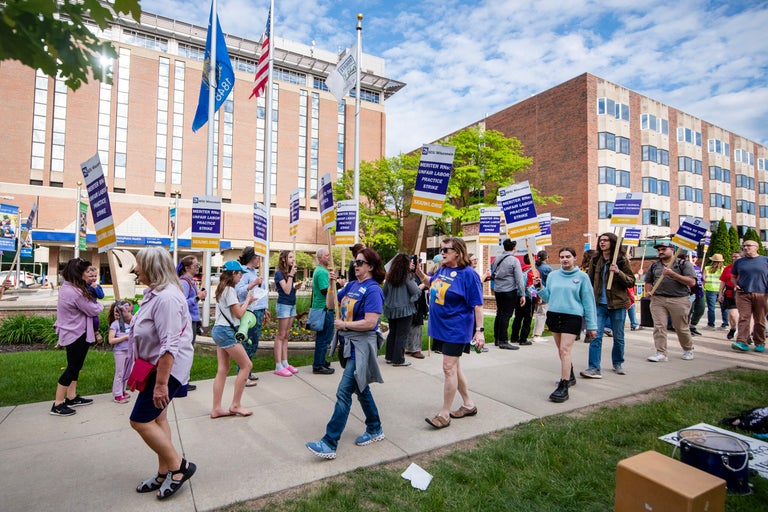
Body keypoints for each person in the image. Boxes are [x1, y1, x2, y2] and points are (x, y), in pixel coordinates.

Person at [305, 247, 387, 459]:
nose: (355, 265)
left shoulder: (373, 290)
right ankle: (375, 427)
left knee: (344, 392)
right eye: (354, 262)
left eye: (360, 262)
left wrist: (345, 325)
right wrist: (333, 284)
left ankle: (329, 442)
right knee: (361, 389)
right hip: (348, 344)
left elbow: (371, 322)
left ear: (370, 266)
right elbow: (332, 304)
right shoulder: (351, 285)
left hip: (361, 346)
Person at [129, 247, 196, 500]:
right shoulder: (155, 294)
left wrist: (160, 385)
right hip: (156, 369)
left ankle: (179, 467)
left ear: (152, 268)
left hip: (166, 371)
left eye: (139, 265)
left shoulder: (167, 299)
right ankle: (163, 472)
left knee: (140, 420)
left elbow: (170, 345)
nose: (135, 270)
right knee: (158, 419)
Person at [420, 237, 484, 429]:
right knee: (454, 367)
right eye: (441, 249)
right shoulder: (443, 269)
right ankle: (468, 404)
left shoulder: (469, 274)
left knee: (448, 368)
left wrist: (479, 331)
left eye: (446, 250)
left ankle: (444, 414)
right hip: (441, 326)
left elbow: (478, 305)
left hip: (457, 327)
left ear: (458, 251)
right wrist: (418, 272)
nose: (442, 253)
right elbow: (432, 283)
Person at [534, 247, 596, 402]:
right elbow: (548, 296)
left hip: (573, 316)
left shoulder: (582, 277)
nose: (565, 259)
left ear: (574, 258)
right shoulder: (553, 275)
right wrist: (539, 287)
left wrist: (591, 325)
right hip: (554, 315)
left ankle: (564, 385)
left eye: (568, 256)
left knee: (564, 349)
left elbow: (589, 302)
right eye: (562, 257)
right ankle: (570, 374)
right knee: (561, 351)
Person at [50, 258, 104, 416]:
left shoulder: (70, 288)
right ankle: (58, 403)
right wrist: (100, 306)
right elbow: (93, 309)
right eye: (86, 272)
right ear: (78, 273)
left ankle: (71, 397)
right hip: (75, 333)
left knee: (76, 366)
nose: (89, 274)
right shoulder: (74, 292)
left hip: (76, 331)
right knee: (72, 367)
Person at [582, 233, 635, 378]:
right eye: (600, 240)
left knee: (618, 336)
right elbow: (590, 282)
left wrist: (618, 272)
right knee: (595, 336)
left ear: (613, 242)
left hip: (617, 304)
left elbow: (631, 281)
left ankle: (617, 363)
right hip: (599, 304)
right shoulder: (595, 260)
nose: (602, 242)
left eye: (605, 240)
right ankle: (593, 367)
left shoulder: (622, 260)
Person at [210, 260, 257, 418]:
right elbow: (239, 314)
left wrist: (244, 303)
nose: (240, 277)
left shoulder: (222, 289)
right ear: (233, 274)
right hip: (225, 331)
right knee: (246, 365)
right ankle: (235, 405)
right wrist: (248, 302)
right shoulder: (230, 289)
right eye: (239, 274)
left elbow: (233, 309)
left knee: (222, 370)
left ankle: (216, 408)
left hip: (218, 330)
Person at [644, 241, 697, 362]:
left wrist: (672, 274)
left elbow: (691, 282)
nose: (660, 252)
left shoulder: (684, 264)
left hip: (679, 299)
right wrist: (649, 291)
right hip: (658, 299)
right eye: (659, 250)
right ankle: (661, 352)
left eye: (663, 249)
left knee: (680, 327)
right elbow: (648, 281)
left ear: (672, 250)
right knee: (659, 326)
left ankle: (688, 349)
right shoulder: (654, 266)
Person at [235, 247, 270, 385]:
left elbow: (260, 292)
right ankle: (241, 373)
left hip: (259, 309)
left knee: (254, 343)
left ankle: (246, 371)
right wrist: (253, 283)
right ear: (251, 258)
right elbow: (240, 291)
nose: (259, 261)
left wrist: (265, 308)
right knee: (248, 342)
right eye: (257, 258)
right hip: (250, 311)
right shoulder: (244, 272)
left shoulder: (255, 272)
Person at [383, 253, 422, 367]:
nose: (411, 263)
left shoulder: (389, 277)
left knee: (393, 333)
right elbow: (415, 291)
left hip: (391, 309)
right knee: (402, 334)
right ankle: (398, 359)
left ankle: (389, 356)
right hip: (405, 309)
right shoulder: (407, 277)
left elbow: (384, 292)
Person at [730, 240, 768, 353]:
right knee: (744, 317)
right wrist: (735, 284)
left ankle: (760, 342)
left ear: (756, 247)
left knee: (759, 319)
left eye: (748, 246)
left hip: (762, 293)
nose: (745, 248)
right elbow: (733, 276)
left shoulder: (765, 260)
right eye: (744, 246)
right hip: (743, 293)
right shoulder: (739, 262)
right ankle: (742, 342)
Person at [177, 255, 207, 391]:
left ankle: (184, 380)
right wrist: (197, 297)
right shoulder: (184, 282)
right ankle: (182, 382)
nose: (198, 267)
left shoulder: (190, 282)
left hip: (192, 320)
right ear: (187, 267)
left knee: (188, 351)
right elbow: (181, 304)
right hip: (188, 321)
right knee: (186, 351)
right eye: (196, 265)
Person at [490, 238, 525, 350]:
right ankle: (503, 341)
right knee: (506, 315)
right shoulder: (514, 260)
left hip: (498, 290)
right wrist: (523, 293)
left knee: (499, 313)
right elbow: (519, 278)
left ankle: (497, 338)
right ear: (514, 248)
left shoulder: (496, 259)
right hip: (509, 290)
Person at [274, 250, 300, 377]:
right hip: (283, 305)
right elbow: (286, 290)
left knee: (286, 335)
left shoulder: (289, 273)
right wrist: (290, 276)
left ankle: (285, 362)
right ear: (284, 259)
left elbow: (291, 289)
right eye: (290, 257)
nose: (293, 259)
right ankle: (278, 365)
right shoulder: (279, 273)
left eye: (293, 257)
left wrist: (296, 286)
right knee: (281, 335)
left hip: (291, 304)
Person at [310, 247, 335, 374]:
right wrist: (338, 284)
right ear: (319, 258)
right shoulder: (322, 273)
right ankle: (318, 365)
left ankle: (321, 361)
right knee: (324, 338)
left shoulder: (321, 271)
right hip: (324, 309)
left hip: (322, 308)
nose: (328, 257)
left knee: (324, 337)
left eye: (329, 255)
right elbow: (325, 291)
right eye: (326, 255)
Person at [108, 300, 134, 404]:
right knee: (120, 373)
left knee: (127, 372)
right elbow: (111, 340)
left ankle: (123, 390)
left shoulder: (129, 323)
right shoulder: (115, 325)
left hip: (129, 351)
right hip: (120, 351)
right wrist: (124, 338)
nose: (117, 314)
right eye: (116, 312)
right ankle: (117, 394)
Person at [405, 258, 428, 359]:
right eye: (414, 262)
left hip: (419, 304)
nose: (416, 264)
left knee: (416, 326)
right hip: (411, 304)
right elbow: (414, 289)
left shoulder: (416, 275)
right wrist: (423, 285)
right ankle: (414, 349)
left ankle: (412, 348)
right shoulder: (407, 275)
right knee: (413, 326)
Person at [511, 253, 536, 345]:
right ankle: (523, 339)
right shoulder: (534, 271)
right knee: (527, 318)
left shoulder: (520, 270)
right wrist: (535, 297)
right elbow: (535, 286)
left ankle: (514, 337)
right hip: (529, 297)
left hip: (519, 295)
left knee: (518, 317)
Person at [719, 252, 742, 340]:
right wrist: (720, 293)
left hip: (743, 293)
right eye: (733, 257)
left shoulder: (745, 268)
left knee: (745, 316)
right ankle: (733, 328)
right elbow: (723, 281)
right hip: (730, 294)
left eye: (736, 257)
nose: (734, 258)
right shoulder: (728, 268)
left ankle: (744, 333)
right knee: (732, 315)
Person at [531, 250, 552, 342]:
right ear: (546, 258)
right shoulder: (548, 269)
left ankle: (535, 333)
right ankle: (537, 335)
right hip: (543, 293)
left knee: (538, 313)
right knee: (541, 314)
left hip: (533, 293)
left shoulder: (534, 267)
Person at [703, 253, 726, 329]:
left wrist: (704, 287)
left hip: (710, 289)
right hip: (722, 290)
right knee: (724, 308)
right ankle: (725, 324)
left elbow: (704, 279)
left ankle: (711, 324)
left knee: (711, 308)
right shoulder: (724, 269)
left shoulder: (707, 268)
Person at [687, 253, 705, 336]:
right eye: (691, 257)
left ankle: (692, 326)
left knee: (701, 309)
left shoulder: (697, 268)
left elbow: (701, 280)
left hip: (699, 292)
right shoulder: (685, 267)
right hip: (689, 292)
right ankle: (685, 328)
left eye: (694, 257)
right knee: (688, 310)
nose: (692, 258)